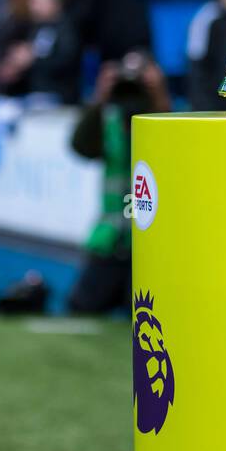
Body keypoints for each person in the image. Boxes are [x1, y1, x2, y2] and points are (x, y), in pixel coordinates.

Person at [68, 51, 170, 313]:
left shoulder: (164, 120)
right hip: (111, 241)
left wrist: (159, 96)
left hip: (149, 247)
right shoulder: (108, 119)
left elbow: (178, 149)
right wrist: (100, 98)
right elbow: (80, 146)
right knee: (80, 307)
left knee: (146, 312)